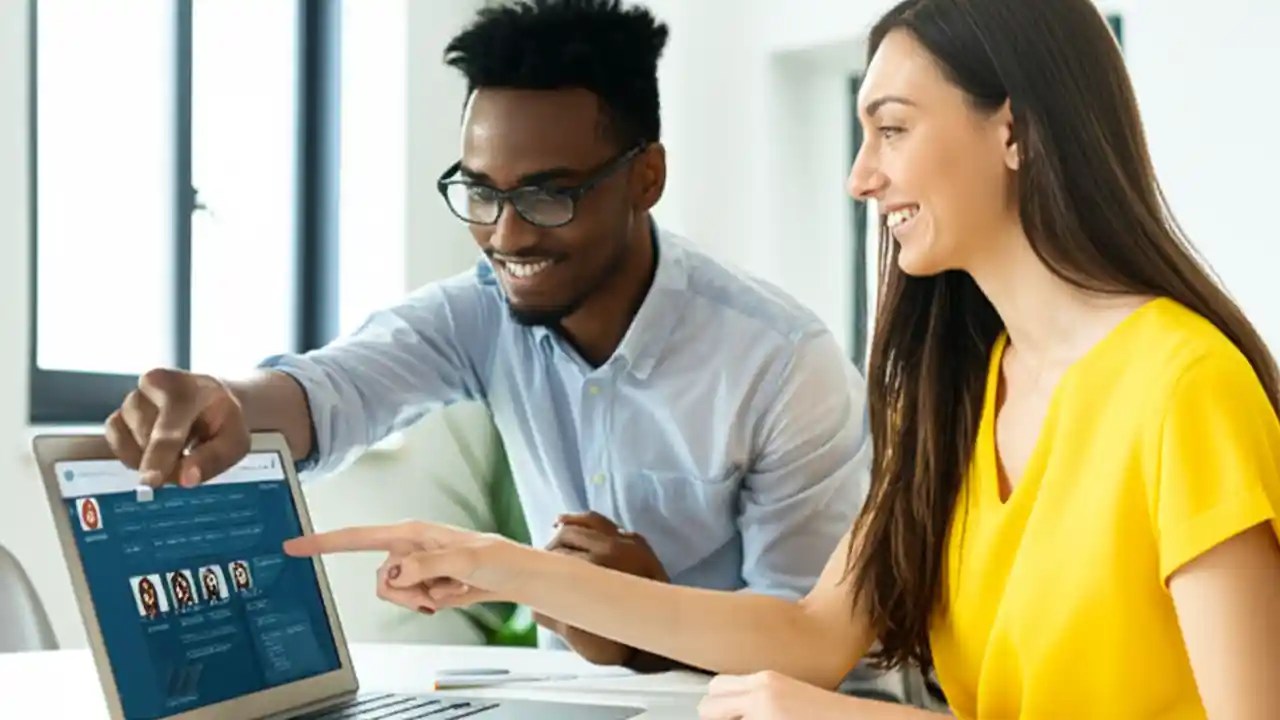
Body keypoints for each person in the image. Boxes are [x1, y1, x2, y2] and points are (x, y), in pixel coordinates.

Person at [282, 0, 1280, 717]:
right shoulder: (958, 398)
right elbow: (806, 636)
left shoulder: (1179, 387)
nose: (859, 176)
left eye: (891, 128)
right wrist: (494, 566)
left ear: (1012, 128)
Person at [104, 0, 870, 676]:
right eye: (480, 191)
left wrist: (633, 621)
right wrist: (230, 405)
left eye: (548, 194)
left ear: (647, 178)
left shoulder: (780, 364)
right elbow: (334, 391)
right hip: (574, 701)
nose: (504, 234)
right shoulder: (482, 312)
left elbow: (808, 653)